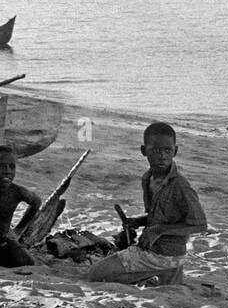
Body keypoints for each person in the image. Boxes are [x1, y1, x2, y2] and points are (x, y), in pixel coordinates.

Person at [88, 122, 208, 286]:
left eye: (168, 150)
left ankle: (163, 270)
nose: (162, 156)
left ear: (176, 151)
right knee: (100, 273)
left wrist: (158, 231)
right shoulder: (147, 178)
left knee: (95, 274)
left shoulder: (180, 186)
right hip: (152, 249)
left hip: (166, 254)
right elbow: (156, 215)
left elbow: (200, 225)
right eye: (156, 150)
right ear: (144, 151)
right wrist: (138, 221)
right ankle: (166, 273)